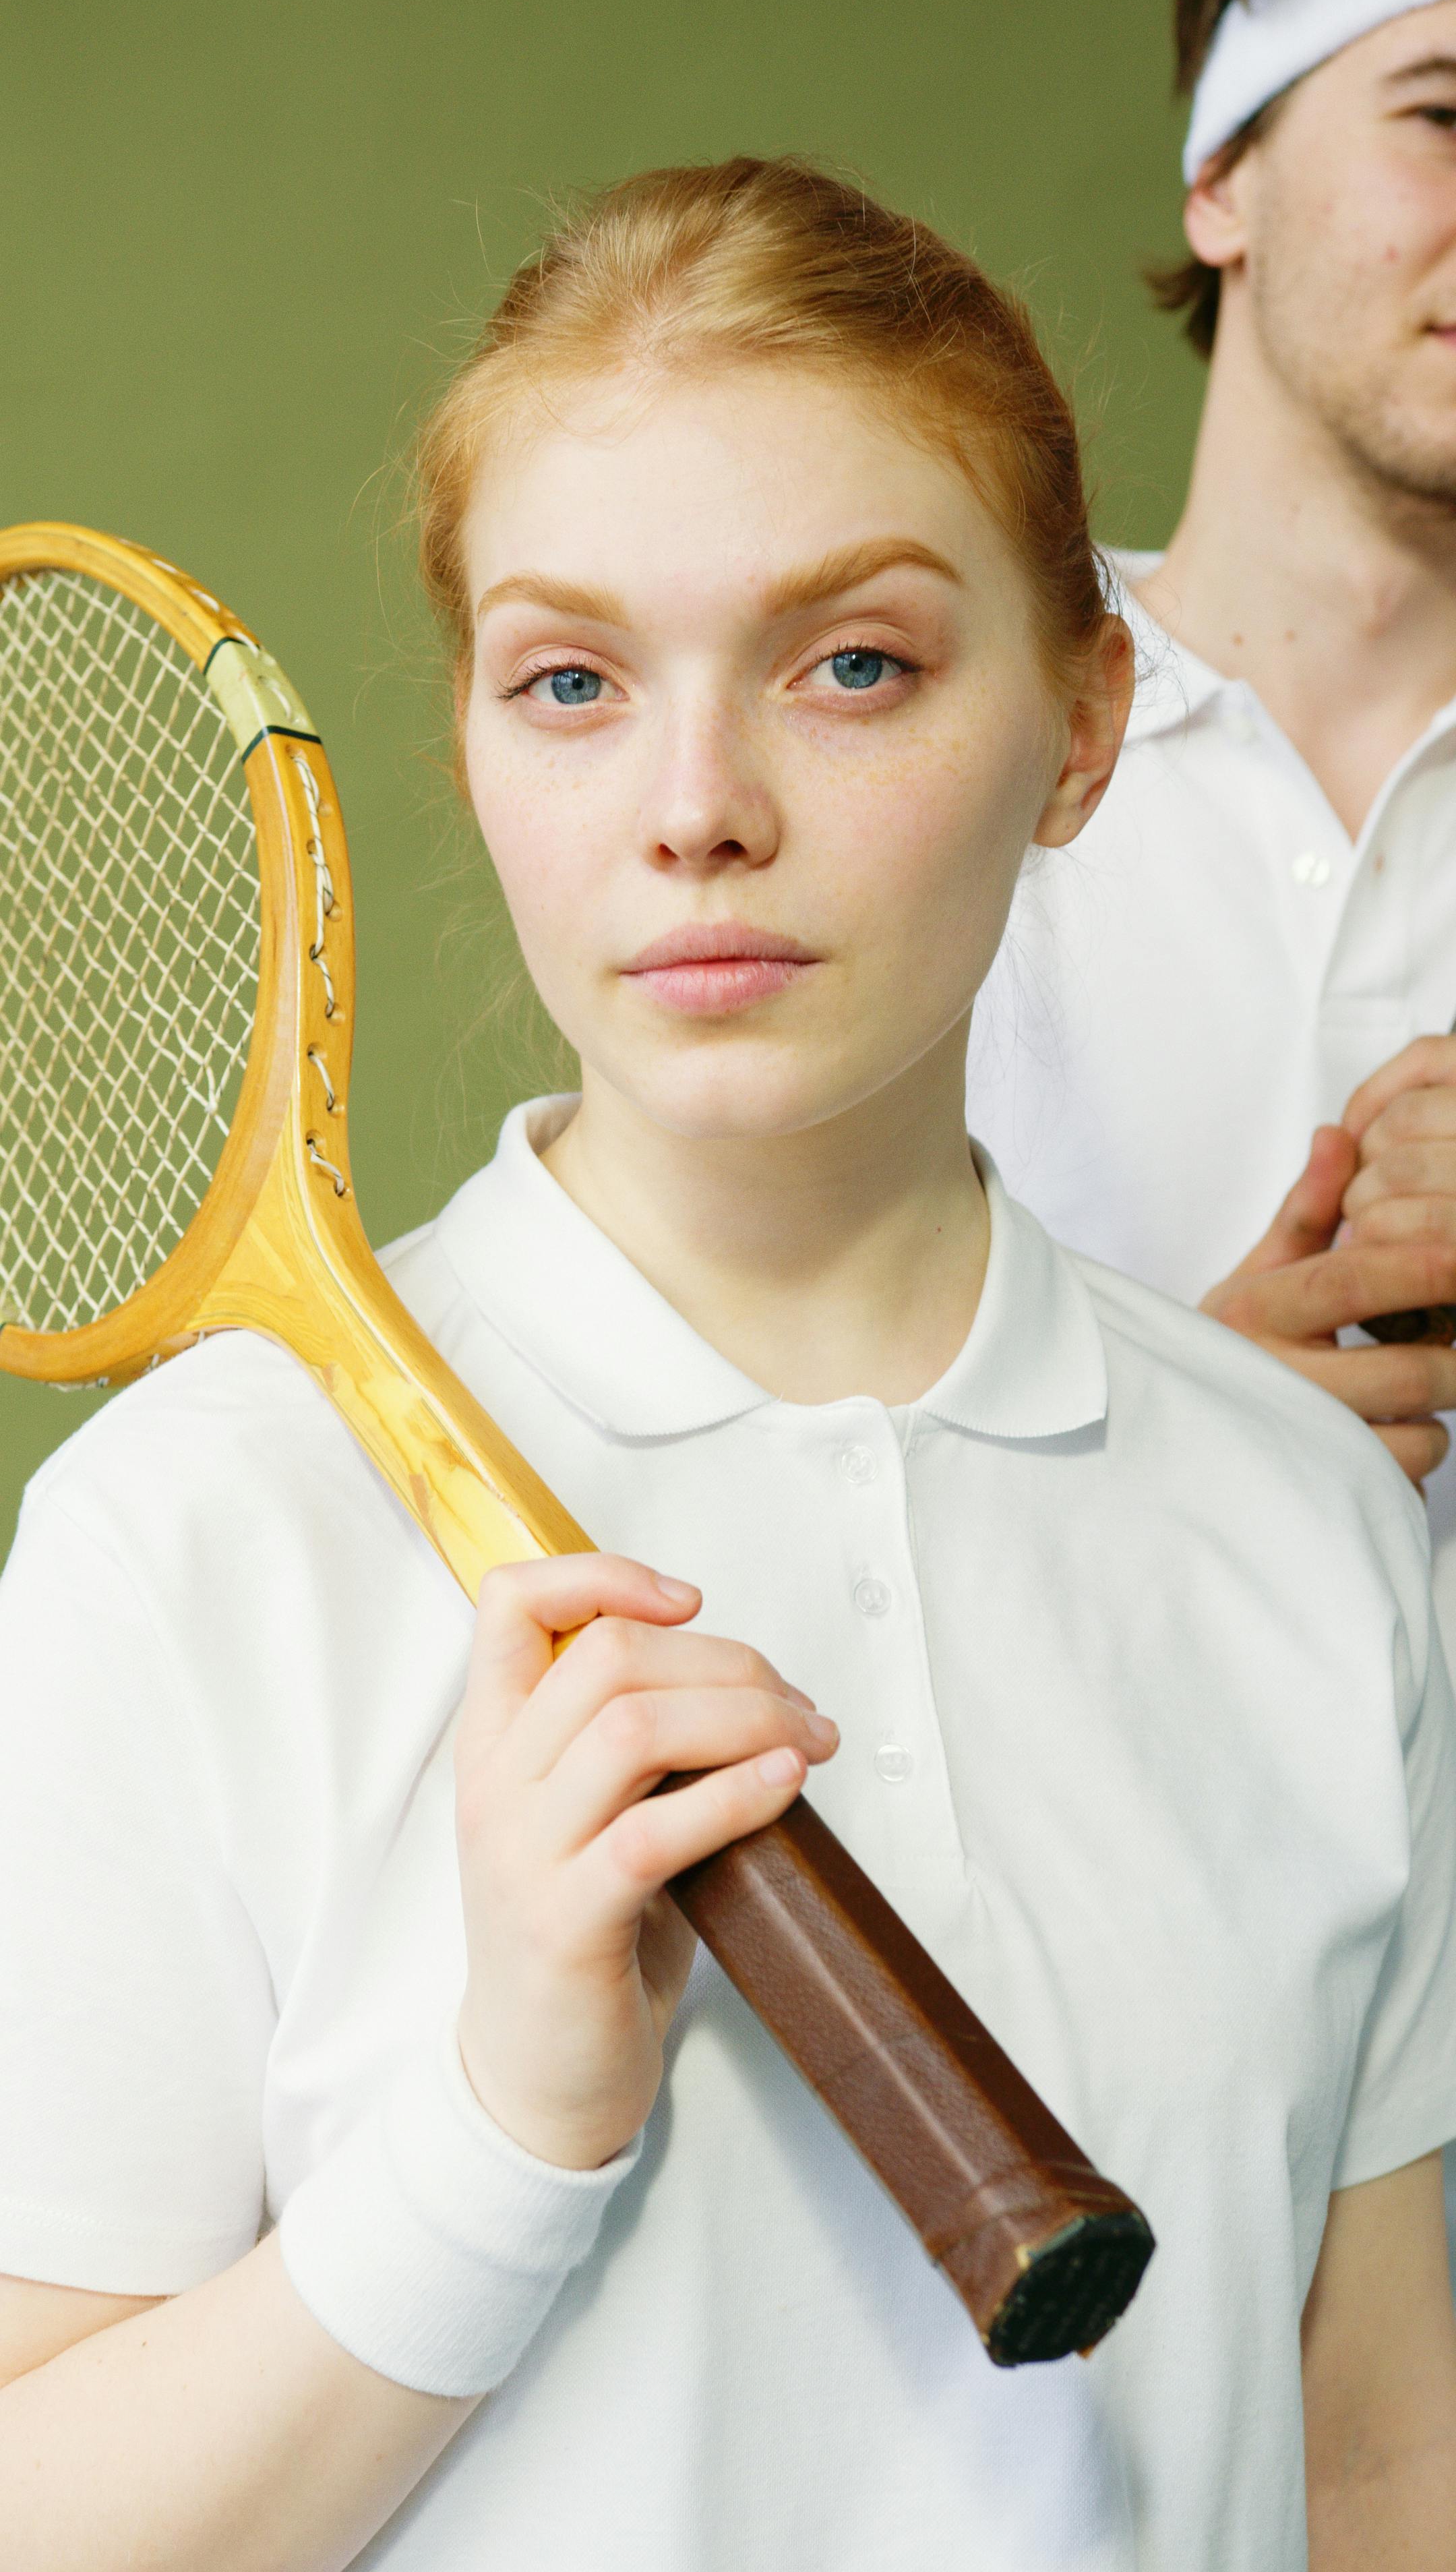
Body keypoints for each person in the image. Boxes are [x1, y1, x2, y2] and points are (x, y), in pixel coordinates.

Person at [0, 158, 1453, 2572]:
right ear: (473, 743)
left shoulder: (1306, 1530)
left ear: (1085, 727)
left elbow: (1387, 2454)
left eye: (854, 662)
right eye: (571, 680)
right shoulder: (190, 1542)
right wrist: (504, 2122)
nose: (696, 813)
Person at [969, 0, 1456, 1624]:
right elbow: (725, 1478)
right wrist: (1193, 1444)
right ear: (1222, 179)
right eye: (1445, 118)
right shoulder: (931, 749)